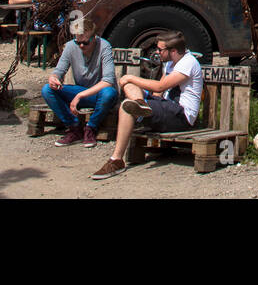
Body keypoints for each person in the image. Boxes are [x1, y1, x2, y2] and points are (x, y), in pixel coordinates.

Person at [92, 30, 204, 179]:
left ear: (174, 51)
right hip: (166, 107)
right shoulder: (171, 63)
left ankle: (116, 160)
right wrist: (144, 95)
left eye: (160, 49)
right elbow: (158, 93)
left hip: (181, 115)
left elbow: (160, 87)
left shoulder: (188, 63)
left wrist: (131, 77)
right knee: (129, 87)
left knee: (127, 106)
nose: (157, 52)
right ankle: (140, 105)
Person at [42, 18, 118, 147]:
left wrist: (80, 96)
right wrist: (54, 78)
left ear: (94, 38)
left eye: (85, 42)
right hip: (80, 91)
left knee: (109, 93)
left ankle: (91, 128)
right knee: (47, 89)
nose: (81, 46)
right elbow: (59, 70)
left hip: (97, 93)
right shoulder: (71, 46)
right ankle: (73, 127)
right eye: (78, 42)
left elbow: (108, 81)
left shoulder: (104, 46)